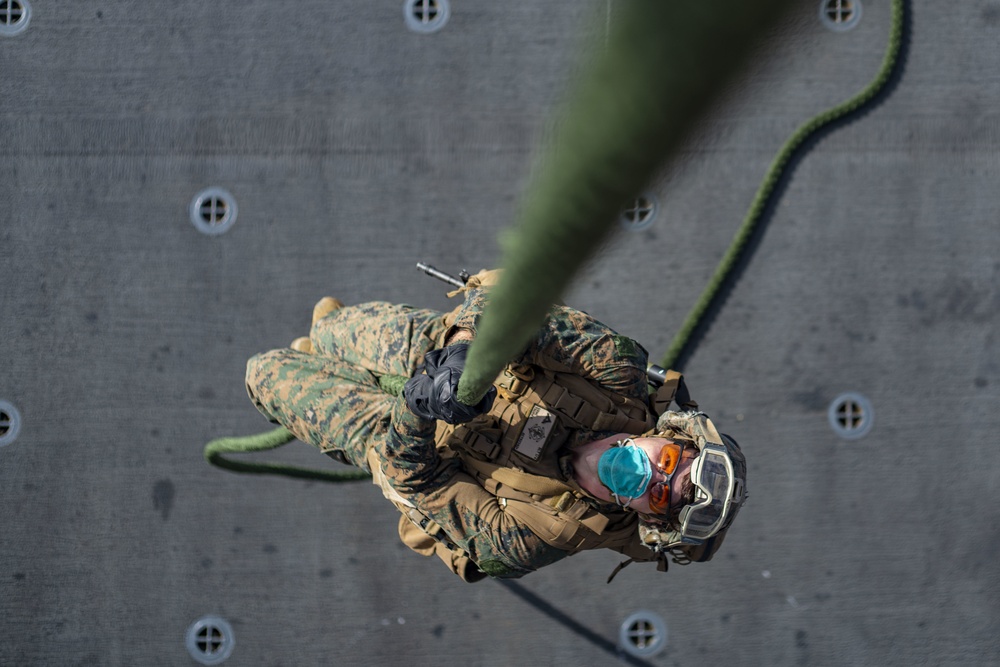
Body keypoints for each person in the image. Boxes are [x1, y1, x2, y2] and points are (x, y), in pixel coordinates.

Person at [245, 270, 747, 583]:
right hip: (437, 350)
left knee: (262, 372)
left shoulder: (535, 538)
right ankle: (326, 339)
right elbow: (523, 313)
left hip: (397, 434)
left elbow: (413, 480)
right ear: (668, 434)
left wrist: (417, 408)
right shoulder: (623, 377)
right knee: (332, 326)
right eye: (668, 462)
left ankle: (307, 370)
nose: (649, 475)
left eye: (661, 495)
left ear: (647, 518)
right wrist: (464, 350)